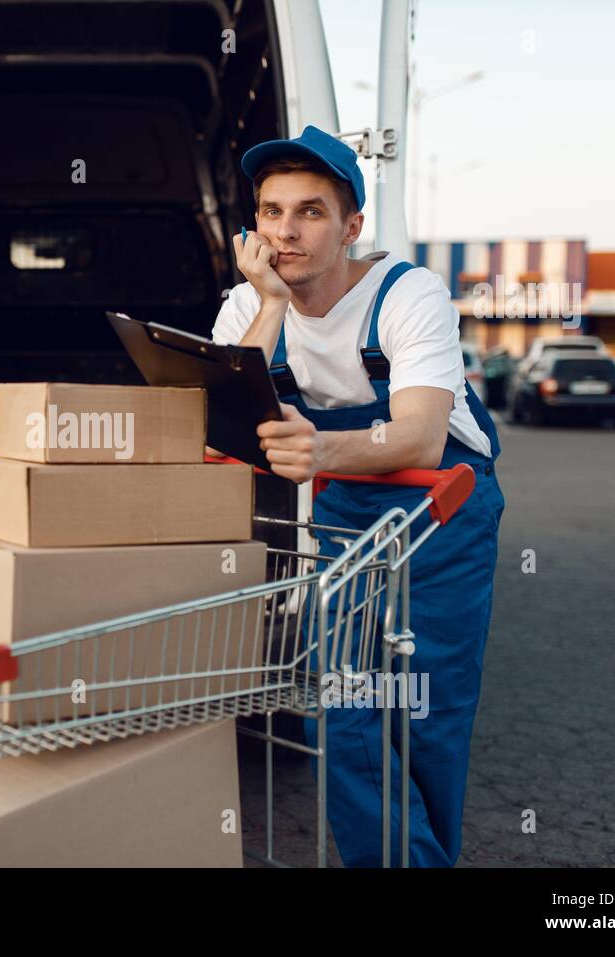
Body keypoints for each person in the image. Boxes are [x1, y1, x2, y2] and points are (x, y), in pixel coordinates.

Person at [212, 125, 506, 867]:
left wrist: (324, 449)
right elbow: (222, 424)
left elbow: (422, 435)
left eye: (310, 211)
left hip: (442, 511)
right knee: (344, 711)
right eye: (271, 210)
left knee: (425, 712)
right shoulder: (243, 313)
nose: (286, 230)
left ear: (351, 227)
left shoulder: (409, 294)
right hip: (345, 516)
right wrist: (272, 306)